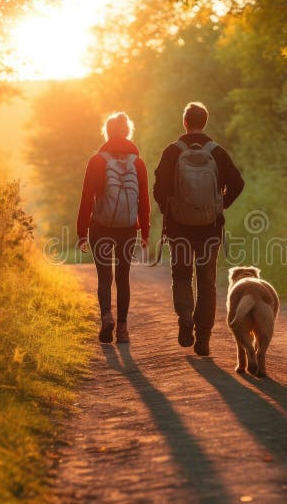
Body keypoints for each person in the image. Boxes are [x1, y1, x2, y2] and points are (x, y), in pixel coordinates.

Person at [153, 102, 244, 355]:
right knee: (207, 283)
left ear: (185, 123)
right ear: (205, 122)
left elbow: (158, 189)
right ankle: (203, 338)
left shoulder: (172, 152)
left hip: (179, 229)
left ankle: (185, 318)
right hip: (210, 228)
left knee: (181, 276)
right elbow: (238, 183)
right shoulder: (218, 153)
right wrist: (219, 205)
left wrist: (168, 210)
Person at [77, 112, 150, 344]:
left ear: (107, 133)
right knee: (123, 277)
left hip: (101, 227)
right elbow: (144, 201)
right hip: (127, 228)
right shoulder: (138, 163)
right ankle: (123, 329)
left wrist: (81, 232)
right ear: (127, 133)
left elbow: (87, 198)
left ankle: (106, 316)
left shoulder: (97, 161)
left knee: (104, 277)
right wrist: (145, 231)